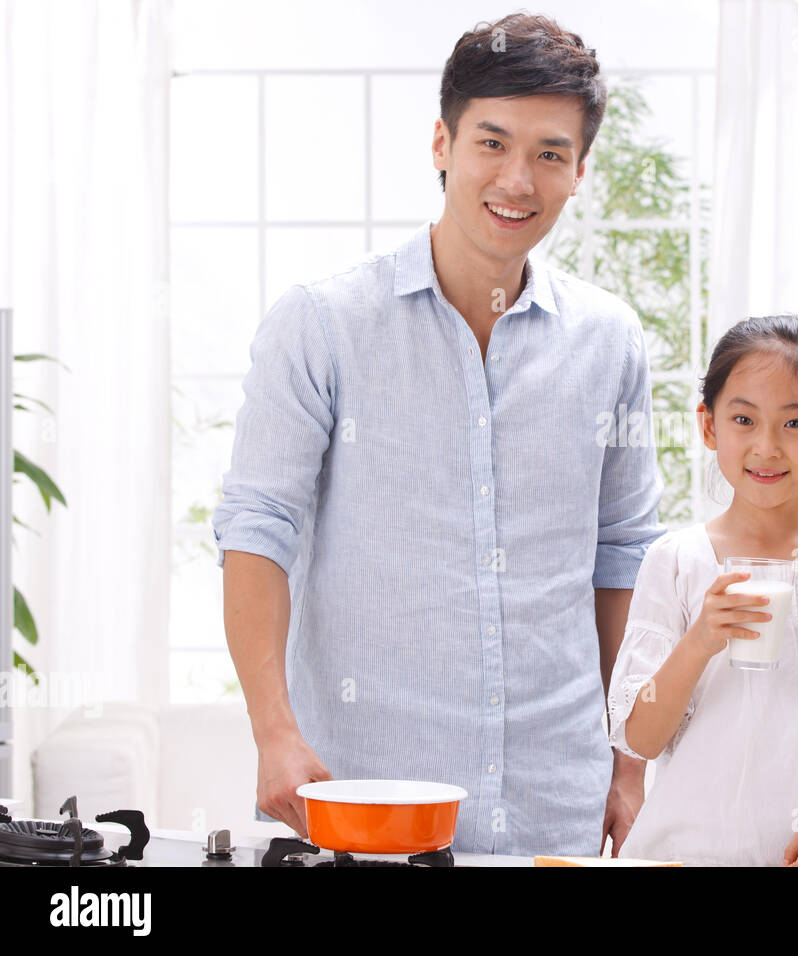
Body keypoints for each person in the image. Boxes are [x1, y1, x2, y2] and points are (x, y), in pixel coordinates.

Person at [212, 14, 662, 857]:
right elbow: (257, 528)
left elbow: (625, 552)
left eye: (550, 154)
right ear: (441, 144)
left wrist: (626, 762)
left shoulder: (612, 342)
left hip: (556, 796)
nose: (517, 180)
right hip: (364, 792)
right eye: (492, 142)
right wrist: (273, 730)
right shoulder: (322, 326)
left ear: (580, 171)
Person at [606, 315, 798, 866]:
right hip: (690, 853)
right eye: (743, 419)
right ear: (708, 427)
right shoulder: (676, 561)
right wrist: (700, 639)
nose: (766, 447)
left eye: (794, 424)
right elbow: (641, 737)